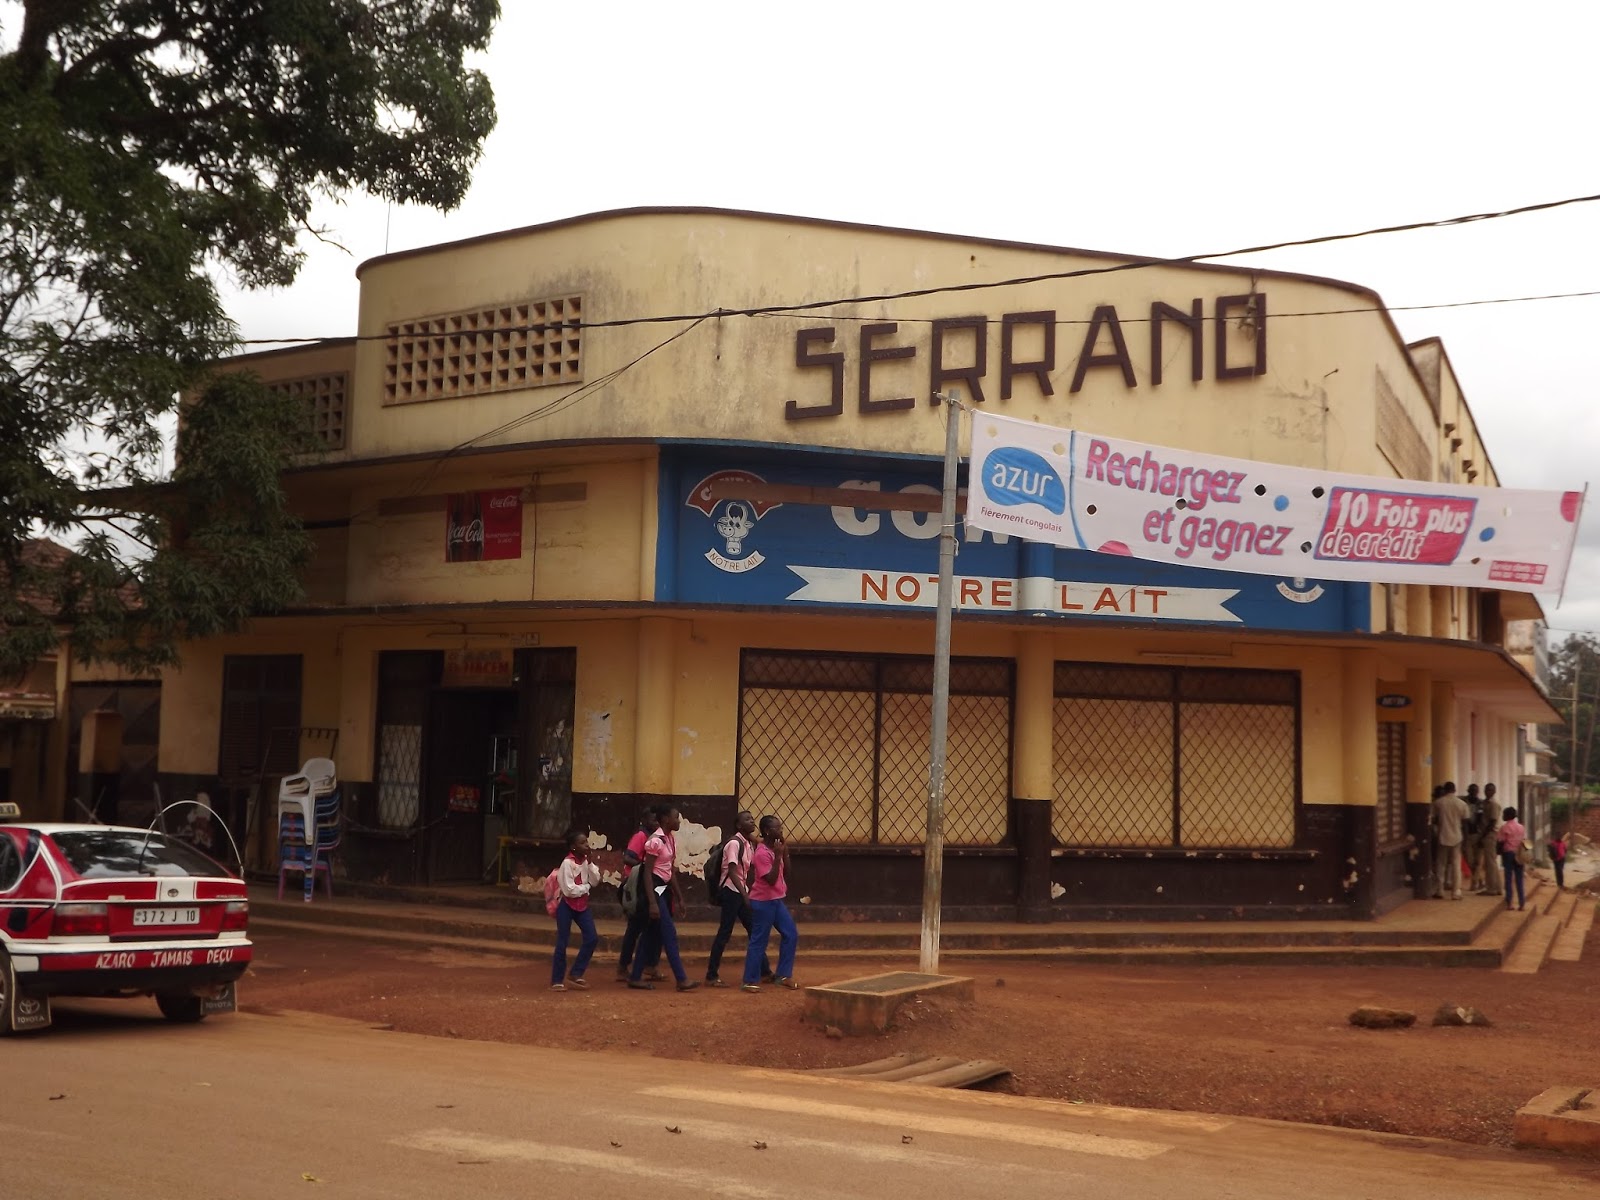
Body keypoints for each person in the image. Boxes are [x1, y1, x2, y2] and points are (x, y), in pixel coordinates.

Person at [630, 804, 698, 992]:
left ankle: (635, 977)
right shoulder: (655, 841)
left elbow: (670, 871)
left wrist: (679, 897)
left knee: (650, 934)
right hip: (654, 890)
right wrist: (652, 902)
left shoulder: (670, 839)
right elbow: (647, 873)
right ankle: (681, 979)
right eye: (676, 817)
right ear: (666, 820)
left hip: (663, 889)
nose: (679, 821)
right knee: (669, 933)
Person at [705, 810, 773, 987]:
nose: (752, 821)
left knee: (753, 930)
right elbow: (732, 871)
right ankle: (711, 975)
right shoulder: (734, 844)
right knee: (725, 933)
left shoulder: (747, 843)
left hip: (740, 891)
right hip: (731, 892)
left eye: (752, 819)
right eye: (747, 819)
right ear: (738, 825)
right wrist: (745, 896)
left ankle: (765, 971)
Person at [742, 815, 799, 993]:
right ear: (766, 831)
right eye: (776, 828)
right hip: (763, 902)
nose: (780, 830)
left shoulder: (776, 849)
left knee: (791, 934)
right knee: (759, 941)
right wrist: (778, 856)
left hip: (776, 900)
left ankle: (783, 975)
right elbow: (771, 880)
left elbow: (787, 873)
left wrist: (784, 852)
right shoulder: (761, 853)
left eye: (781, 827)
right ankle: (749, 980)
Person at [616, 806, 665, 983]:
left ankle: (650, 964)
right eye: (653, 819)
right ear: (644, 820)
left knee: (657, 926)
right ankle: (623, 966)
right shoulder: (641, 836)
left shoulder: (659, 838)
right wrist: (645, 867)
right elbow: (627, 858)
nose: (656, 823)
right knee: (635, 928)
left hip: (651, 886)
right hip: (636, 886)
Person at [551, 830, 600, 991]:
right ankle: (557, 980)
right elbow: (569, 890)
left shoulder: (586, 862)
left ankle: (576, 972)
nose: (586, 845)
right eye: (582, 843)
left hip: (582, 905)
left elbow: (595, 881)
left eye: (586, 842)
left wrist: (591, 863)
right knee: (563, 941)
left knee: (592, 938)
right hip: (566, 905)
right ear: (573, 847)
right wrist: (586, 888)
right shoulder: (567, 863)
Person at [1431, 781, 1468, 900]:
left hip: (1442, 836)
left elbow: (1434, 819)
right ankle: (1456, 892)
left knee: (1440, 864)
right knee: (1456, 864)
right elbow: (1465, 822)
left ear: (1445, 790)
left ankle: (1440, 890)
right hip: (1457, 837)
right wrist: (1465, 839)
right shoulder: (1462, 804)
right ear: (1454, 790)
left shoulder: (1438, 803)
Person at [1497, 806, 1527, 911]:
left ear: (1508, 815)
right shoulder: (1521, 827)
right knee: (1519, 879)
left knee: (1508, 878)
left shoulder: (1504, 827)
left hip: (1508, 854)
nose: (1503, 816)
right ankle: (1522, 903)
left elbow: (1501, 841)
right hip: (1519, 854)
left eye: (1504, 814)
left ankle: (1509, 902)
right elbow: (1524, 840)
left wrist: (1498, 852)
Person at [1478, 783, 1503, 897]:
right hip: (1486, 834)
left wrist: (1483, 836)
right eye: (1486, 789)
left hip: (1490, 834)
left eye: (1490, 790)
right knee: (1491, 862)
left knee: (1490, 862)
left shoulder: (1493, 804)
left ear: (1494, 791)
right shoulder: (1484, 803)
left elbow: (1492, 822)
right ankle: (1497, 887)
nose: (1487, 792)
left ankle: (1491, 888)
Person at [1462, 784, 1485, 892]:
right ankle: (1480, 880)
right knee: (1470, 860)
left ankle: (1474, 883)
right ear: (1468, 790)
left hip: (1478, 834)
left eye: (1475, 791)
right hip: (1466, 834)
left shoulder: (1481, 804)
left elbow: (1483, 819)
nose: (1473, 793)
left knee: (1478, 861)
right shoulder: (1463, 802)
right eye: (1471, 790)